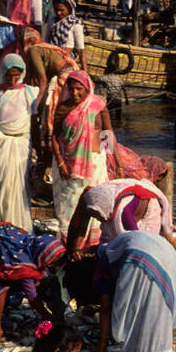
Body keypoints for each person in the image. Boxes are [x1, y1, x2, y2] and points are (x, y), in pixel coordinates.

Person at [95, 227, 176, 352]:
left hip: (140, 259)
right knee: (158, 314)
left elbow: (105, 306)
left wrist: (102, 343)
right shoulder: (118, 244)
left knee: (134, 316)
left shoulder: (103, 263)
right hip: (168, 257)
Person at [50, 69, 115, 240]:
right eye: (71, 89)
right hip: (69, 166)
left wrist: (117, 162)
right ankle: (70, 242)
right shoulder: (63, 108)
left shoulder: (98, 105)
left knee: (96, 202)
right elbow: (55, 137)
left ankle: (91, 242)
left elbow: (108, 133)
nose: (75, 93)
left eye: (79, 89)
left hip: (96, 164)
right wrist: (60, 163)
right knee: (70, 206)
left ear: (87, 88)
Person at [0, 54, 37, 231]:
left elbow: (34, 122)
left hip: (21, 144)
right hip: (0, 145)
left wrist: (37, 148)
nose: (13, 79)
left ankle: (18, 226)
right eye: (9, 75)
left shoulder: (29, 92)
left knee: (19, 187)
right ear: (3, 73)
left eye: (16, 75)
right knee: (0, 185)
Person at [44, 0, 85, 70]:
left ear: (69, 8)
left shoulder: (75, 24)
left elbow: (81, 50)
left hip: (67, 62)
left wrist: (84, 71)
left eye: (62, 10)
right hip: (50, 59)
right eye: (56, 10)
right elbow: (47, 41)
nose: (59, 13)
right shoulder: (52, 21)